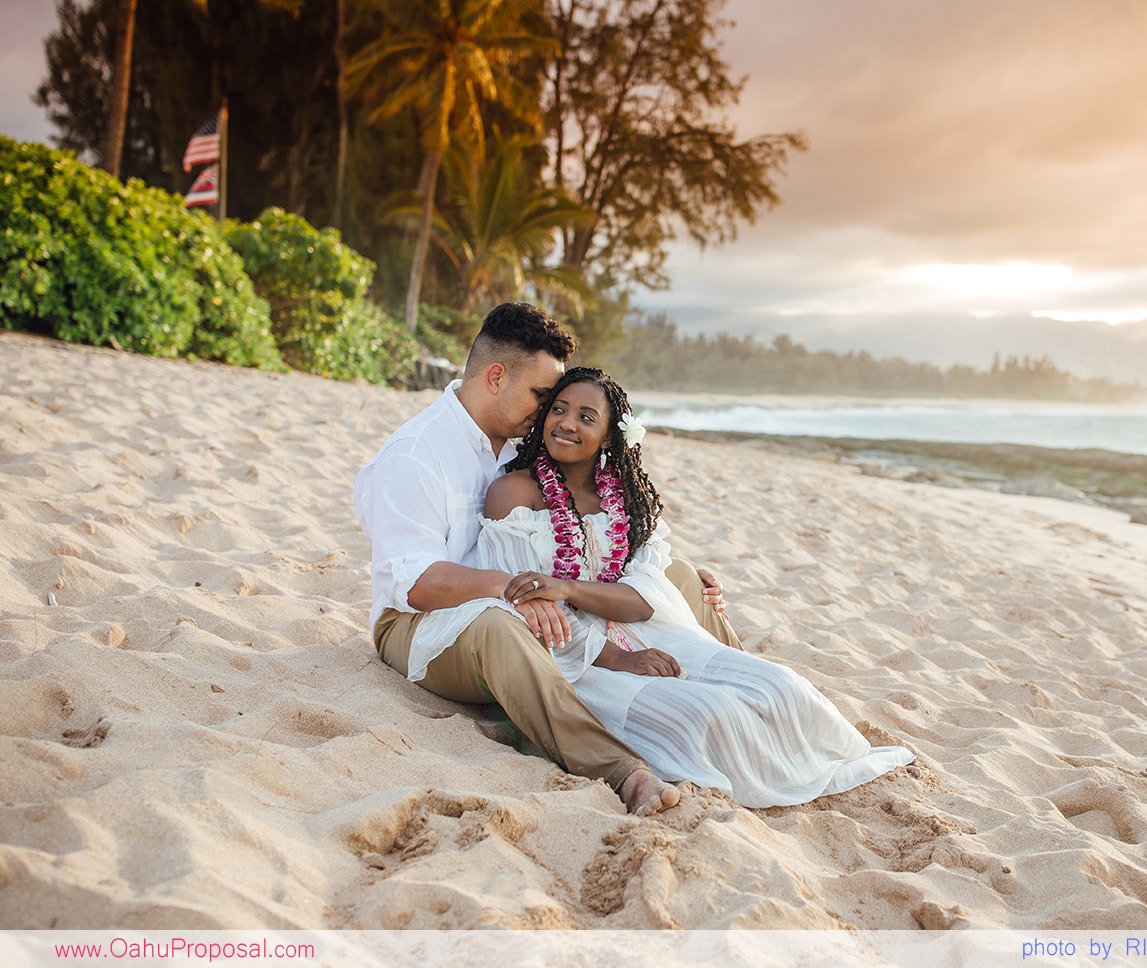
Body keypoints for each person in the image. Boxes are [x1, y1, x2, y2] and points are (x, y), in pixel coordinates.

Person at [353, 303, 736, 817]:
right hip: (419, 624)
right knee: (499, 625)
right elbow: (417, 583)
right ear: (495, 377)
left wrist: (665, 569)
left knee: (678, 575)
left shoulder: (512, 449)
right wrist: (513, 588)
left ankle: (744, 687)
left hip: (508, 601)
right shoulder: (415, 456)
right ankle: (623, 773)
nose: (547, 409)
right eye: (540, 395)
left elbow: (580, 528)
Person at [481, 367, 916, 808]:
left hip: (649, 632)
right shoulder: (513, 493)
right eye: (559, 409)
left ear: (611, 437)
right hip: (574, 658)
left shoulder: (628, 503)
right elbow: (530, 605)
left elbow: (644, 599)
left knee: (783, 688)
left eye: (586, 417)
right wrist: (617, 659)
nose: (568, 423)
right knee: (711, 715)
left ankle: (847, 759)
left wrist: (567, 588)